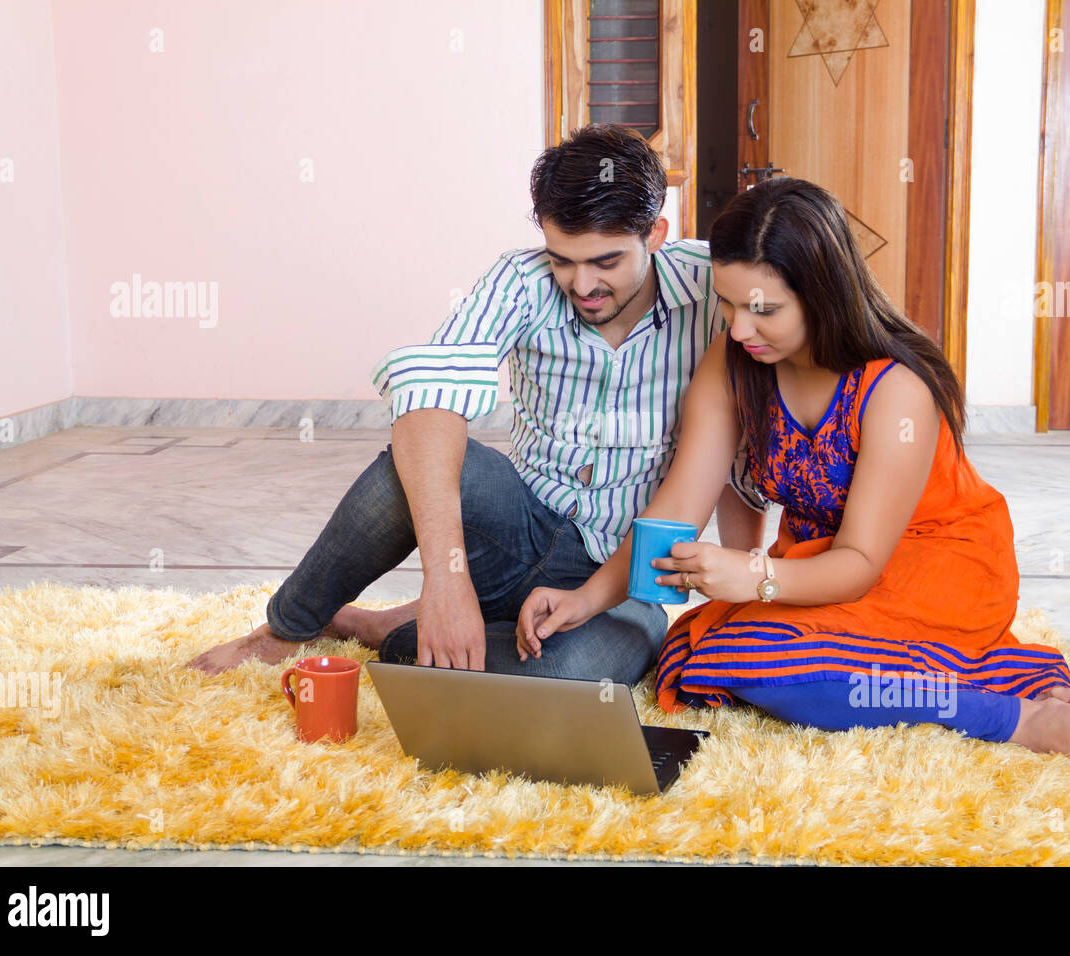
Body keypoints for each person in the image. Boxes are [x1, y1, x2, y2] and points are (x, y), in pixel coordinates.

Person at [516, 177, 1070, 777]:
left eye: (763, 310)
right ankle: (939, 678)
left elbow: (862, 562)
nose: (737, 329)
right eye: (727, 304)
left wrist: (752, 575)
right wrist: (586, 599)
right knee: (706, 657)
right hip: (817, 560)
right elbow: (676, 506)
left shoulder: (897, 388)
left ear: (824, 295)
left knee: (769, 663)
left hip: (933, 564)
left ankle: (1014, 719)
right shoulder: (736, 361)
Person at [187, 124, 769, 678]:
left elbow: (741, 450)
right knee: (408, 465)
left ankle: (389, 631)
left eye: (606, 262)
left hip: (617, 577)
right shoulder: (520, 281)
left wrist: (748, 593)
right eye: (564, 259)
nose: (583, 286)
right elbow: (425, 405)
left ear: (656, 235)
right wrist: (447, 581)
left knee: (572, 674)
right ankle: (286, 630)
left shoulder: (714, 289)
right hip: (513, 536)